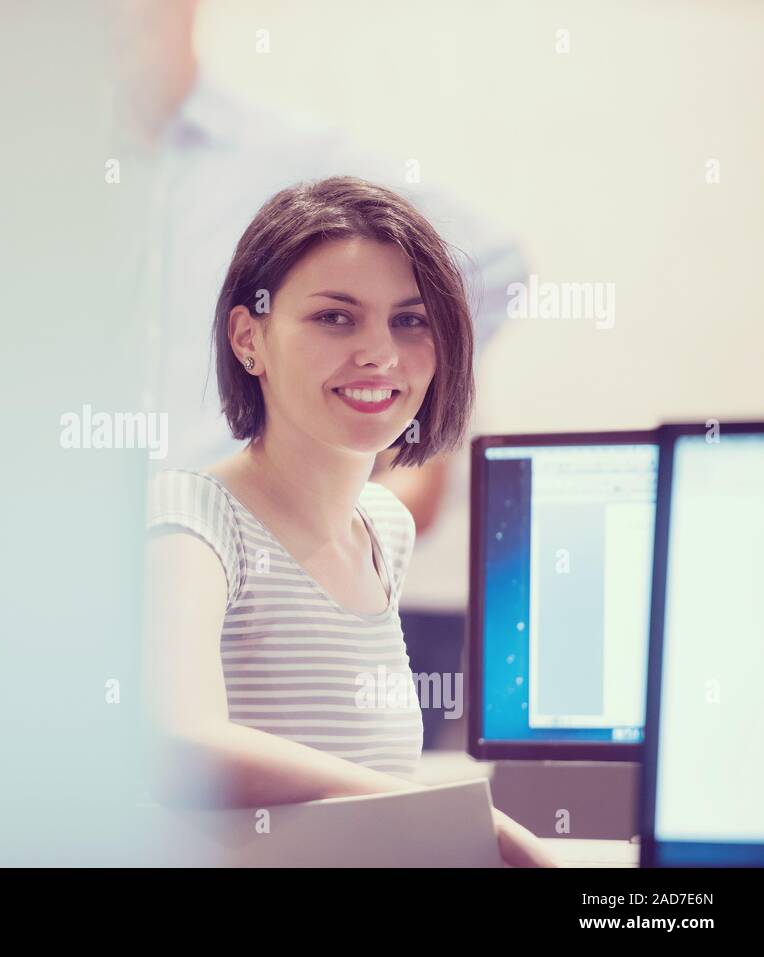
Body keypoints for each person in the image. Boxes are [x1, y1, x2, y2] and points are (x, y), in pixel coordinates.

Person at [142, 177, 554, 866]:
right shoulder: (192, 515)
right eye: (335, 317)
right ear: (249, 339)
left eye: (410, 320)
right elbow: (178, 739)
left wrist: (426, 808)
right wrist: (461, 816)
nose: (379, 354)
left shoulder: (383, 528)